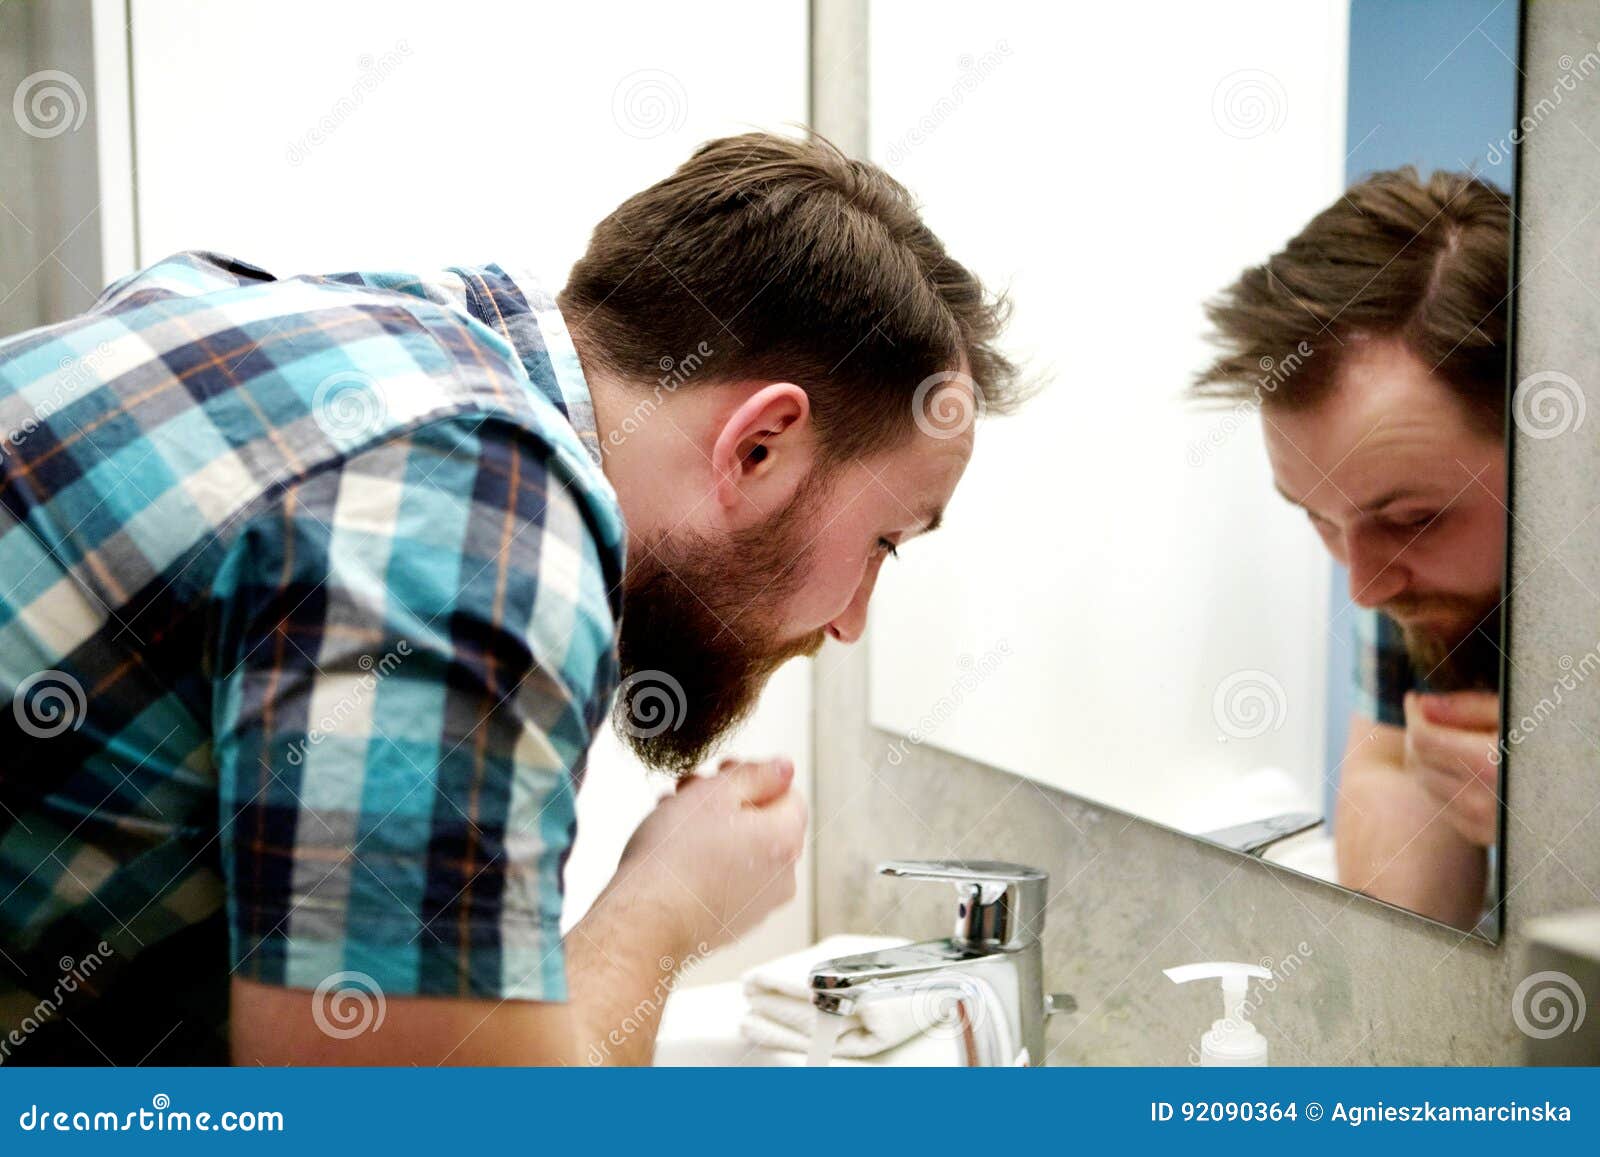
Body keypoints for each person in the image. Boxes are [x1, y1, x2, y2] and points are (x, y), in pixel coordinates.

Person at [0, 132, 1017, 1064]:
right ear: (758, 445)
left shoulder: (350, 337)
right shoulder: (469, 510)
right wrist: (667, 906)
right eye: (885, 538)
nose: (850, 619)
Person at [1194, 168, 1509, 931]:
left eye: (1413, 519)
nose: (1363, 585)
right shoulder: (1412, 570)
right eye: (1318, 518)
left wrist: (1567, 822)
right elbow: (1391, 771)